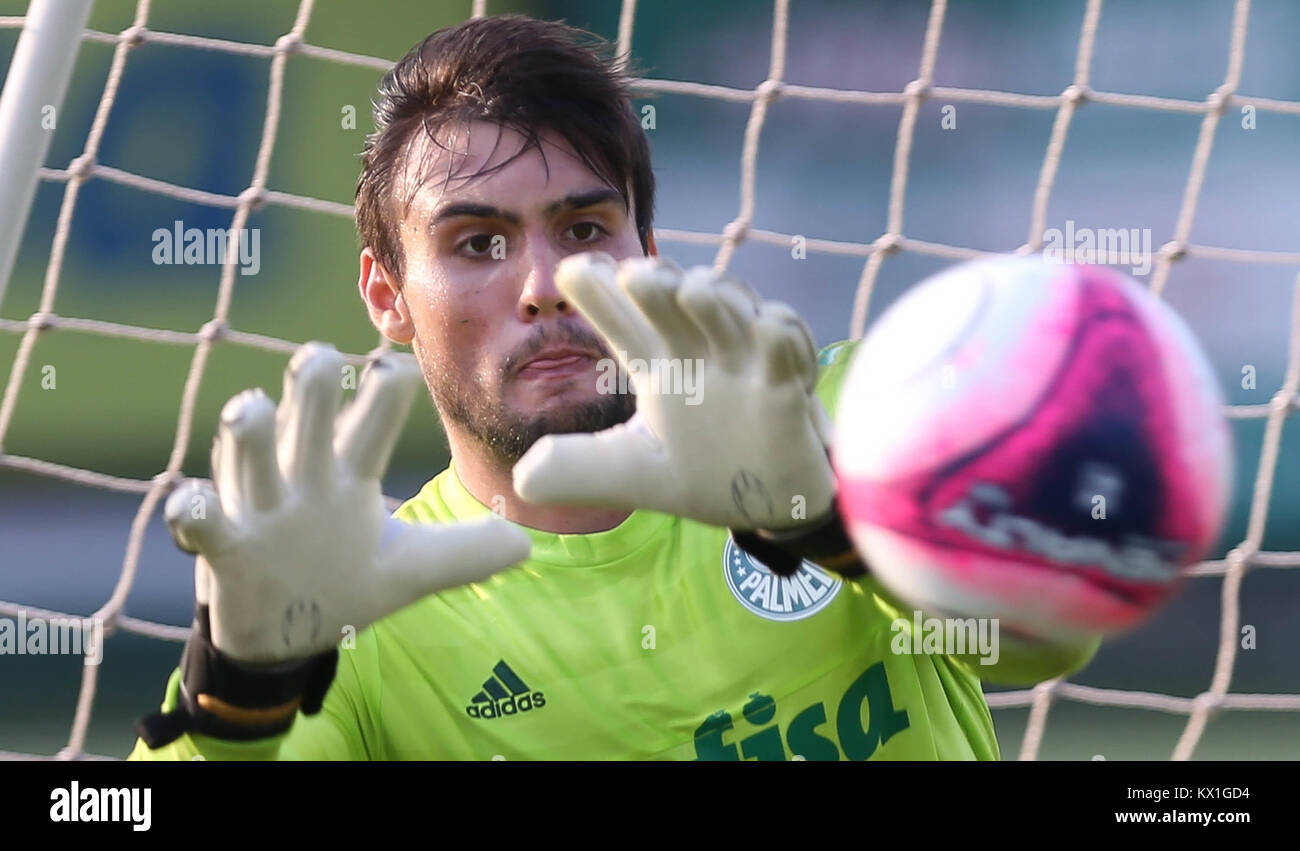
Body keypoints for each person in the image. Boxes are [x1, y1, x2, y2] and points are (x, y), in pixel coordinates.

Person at [129, 14, 1098, 761]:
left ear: (647, 252)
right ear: (387, 296)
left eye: (586, 230)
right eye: (478, 244)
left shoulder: (837, 414)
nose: (547, 284)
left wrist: (829, 524)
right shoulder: (362, 601)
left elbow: (1045, 639)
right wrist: (240, 691)